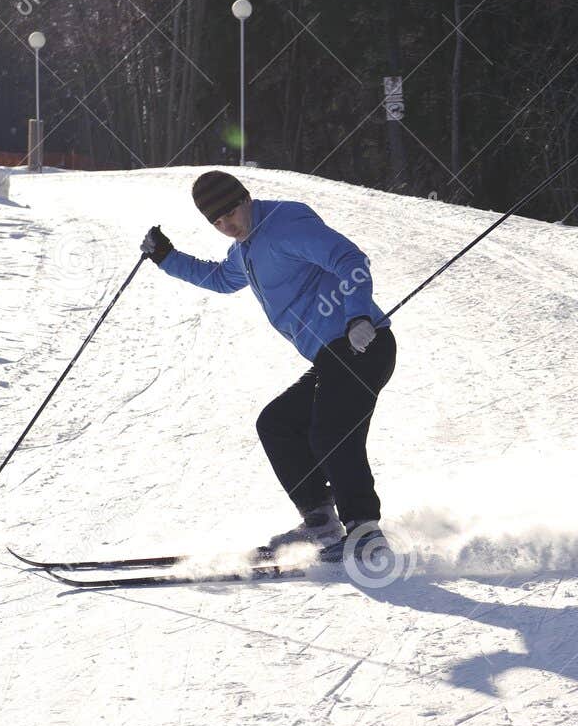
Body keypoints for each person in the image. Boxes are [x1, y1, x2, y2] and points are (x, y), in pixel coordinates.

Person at [141, 170, 396, 561]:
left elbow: (350, 259)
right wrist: (166, 258)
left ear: (245, 198)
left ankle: (364, 531)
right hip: (331, 355)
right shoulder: (244, 248)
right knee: (277, 423)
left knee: (331, 434)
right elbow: (221, 279)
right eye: (216, 221)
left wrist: (359, 316)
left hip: (360, 343)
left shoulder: (286, 224)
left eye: (229, 213)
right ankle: (320, 521)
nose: (226, 226)